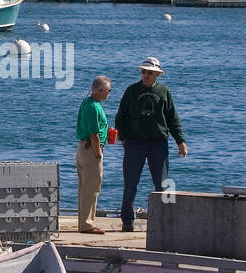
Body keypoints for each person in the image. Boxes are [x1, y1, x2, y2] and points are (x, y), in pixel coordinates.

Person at [115, 56, 187, 232]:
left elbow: (172, 118)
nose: (146, 75)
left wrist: (180, 141)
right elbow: (121, 116)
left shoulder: (163, 92)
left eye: (150, 73)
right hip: (135, 144)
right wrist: (123, 139)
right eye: (144, 72)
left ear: (157, 75)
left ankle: (162, 221)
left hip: (158, 144)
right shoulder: (132, 90)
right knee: (130, 183)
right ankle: (127, 221)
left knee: (162, 184)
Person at [75, 75, 112, 234]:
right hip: (91, 150)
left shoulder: (88, 102)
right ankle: (86, 225)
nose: (109, 93)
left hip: (83, 149)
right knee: (91, 188)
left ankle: (84, 222)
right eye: (108, 90)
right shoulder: (94, 107)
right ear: (100, 90)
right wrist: (98, 154)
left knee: (85, 188)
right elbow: (94, 135)